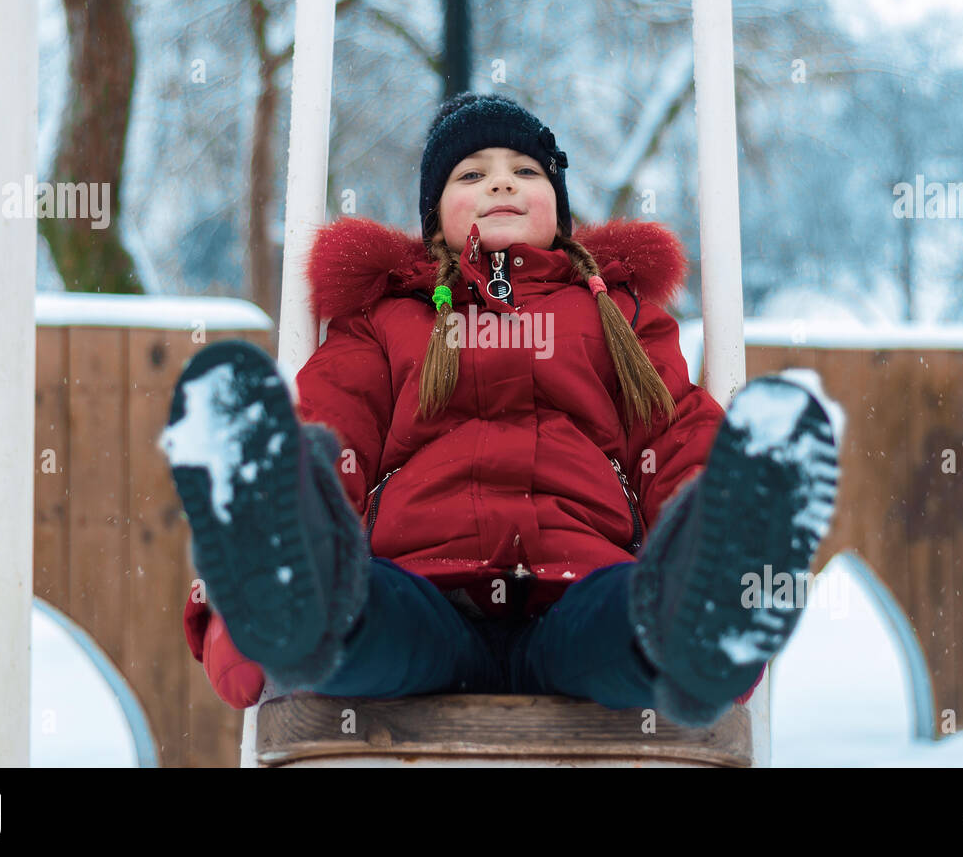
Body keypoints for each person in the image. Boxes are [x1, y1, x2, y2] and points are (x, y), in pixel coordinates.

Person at [164, 91, 843, 729]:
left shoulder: (617, 318)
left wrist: (709, 510)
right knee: (361, 613)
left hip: (578, 592)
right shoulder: (385, 319)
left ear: (559, 205)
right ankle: (289, 596)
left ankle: (702, 609)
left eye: (525, 169)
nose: (501, 182)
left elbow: (675, 443)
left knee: (635, 616)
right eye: (471, 173)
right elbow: (329, 429)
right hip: (425, 591)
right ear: (433, 213)